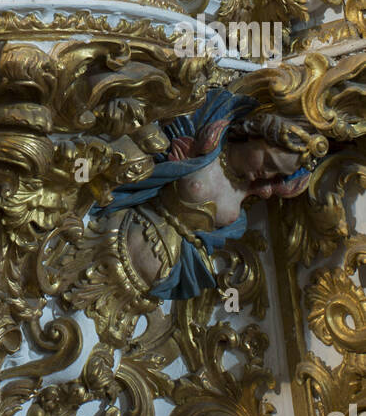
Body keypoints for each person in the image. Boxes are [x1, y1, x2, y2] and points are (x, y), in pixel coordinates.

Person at [92, 90, 327, 299]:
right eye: (269, 161)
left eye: (277, 173)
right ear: (256, 133)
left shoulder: (244, 201)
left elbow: (204, 242)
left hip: (155, 280)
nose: (267, 173)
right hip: (116, 233)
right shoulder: (201, 149)